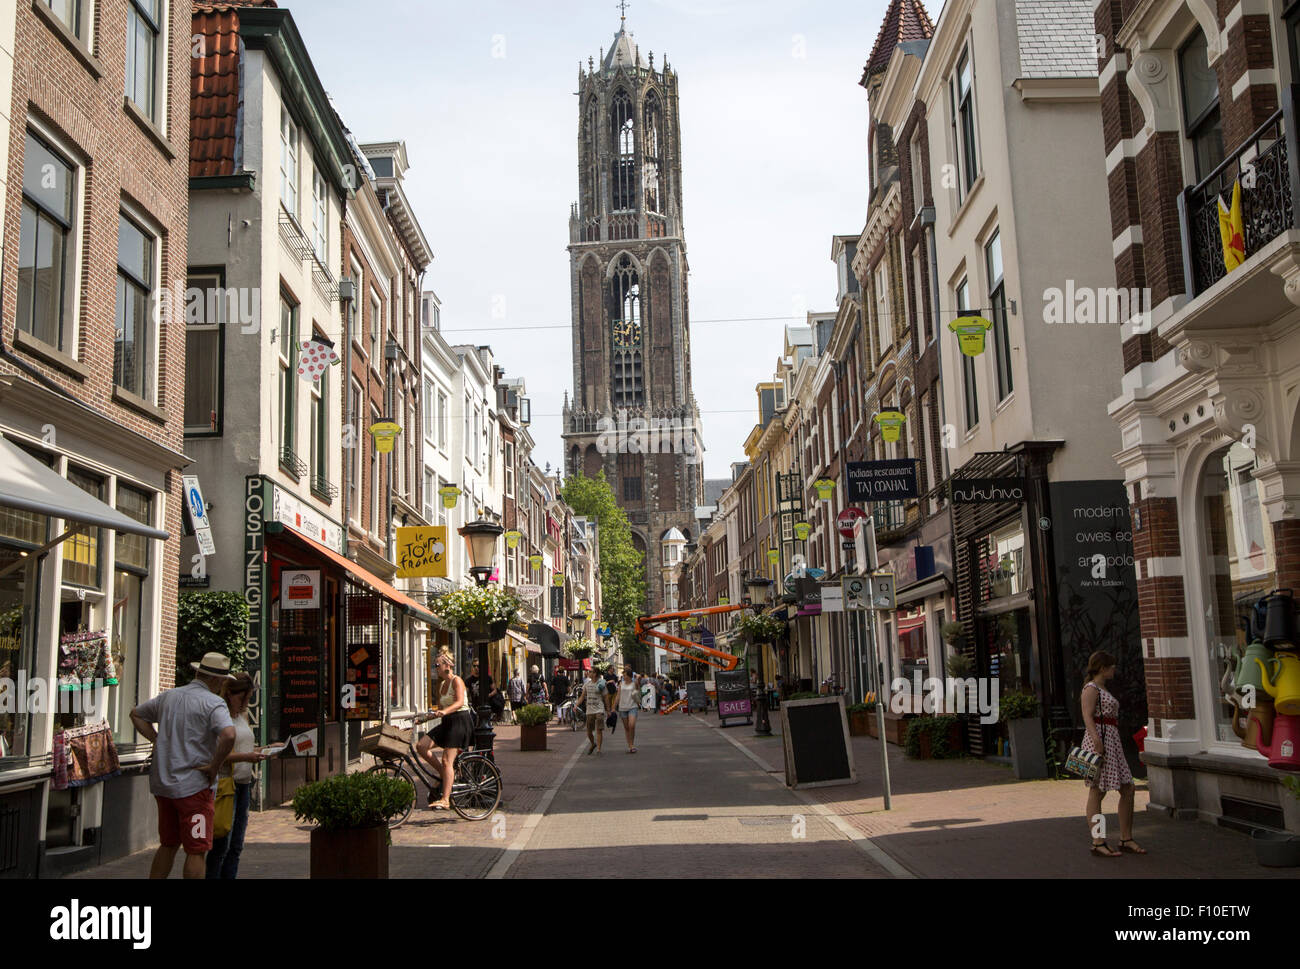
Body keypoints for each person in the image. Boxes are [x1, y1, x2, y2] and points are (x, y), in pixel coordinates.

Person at [129, 652, 238, 879]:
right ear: (218, 681)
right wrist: (214, 766)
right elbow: (228, 735)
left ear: (198, 672)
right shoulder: (214, 702)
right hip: (194, 787)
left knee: (168, 844)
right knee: (196, 849)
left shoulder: (169, 696)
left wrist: (157, 740)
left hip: (163, 785)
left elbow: (136, 714)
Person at [1080, 650, 1145, 857]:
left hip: (1111, 741)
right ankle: (1098, 841)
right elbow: (1087, 716)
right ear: (1102, 668)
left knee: (1128, 788)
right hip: (1100, 742)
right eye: (1112, 666)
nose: (1115, 669)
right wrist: (1097, 741)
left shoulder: (1102, 688)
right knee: (1097, 791)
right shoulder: (1091, 689)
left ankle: (1126, 838)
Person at [206, 672, 265, 879]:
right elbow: (218, 756)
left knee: (237, 845)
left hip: (243, 784)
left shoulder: (243, 715)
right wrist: (248, 757)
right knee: (222, 844)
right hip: (226, 785)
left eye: (248, 698)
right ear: (230, 694)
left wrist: (265, 749)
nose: (245, 703)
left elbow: (245, 746)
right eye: (243, 698)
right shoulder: (221, 716)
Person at [415, 649, 474, 810]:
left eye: (437, 665)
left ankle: (446, 799)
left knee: (447, 760)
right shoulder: (442, 685)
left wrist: (445, 711)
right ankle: (444, 774)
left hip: (460, 722)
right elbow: (440, 709)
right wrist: (423, 719)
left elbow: (459, 702)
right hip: (447, 722)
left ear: (447, 665)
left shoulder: (457, 681)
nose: (436, 668)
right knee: (421, 746)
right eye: (435, 665)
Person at [580, 666, 609, 755]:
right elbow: (582, 696)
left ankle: (599, 749)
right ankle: (593, 744)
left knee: (599, 729)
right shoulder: (587, 684)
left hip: (599, 709)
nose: (589, 673)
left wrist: (608, 709)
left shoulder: (601, 684)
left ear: (595, 674)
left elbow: (606, 697)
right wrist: (576, 705)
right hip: (589, 710)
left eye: (591, 671)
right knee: (589, 731)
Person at [615, 666, 641, 752]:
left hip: (632, 706)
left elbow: (639, 677)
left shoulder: (634, 684)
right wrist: (613, 707)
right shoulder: (621, 684)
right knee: (627, 728)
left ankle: (632, 744)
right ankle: (630, 745)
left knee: (631, 725)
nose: (623, 677)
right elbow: (618, 696)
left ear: (629, 676)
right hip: (622, 708)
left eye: (625, 675)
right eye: (623, 676)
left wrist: (635, 676)